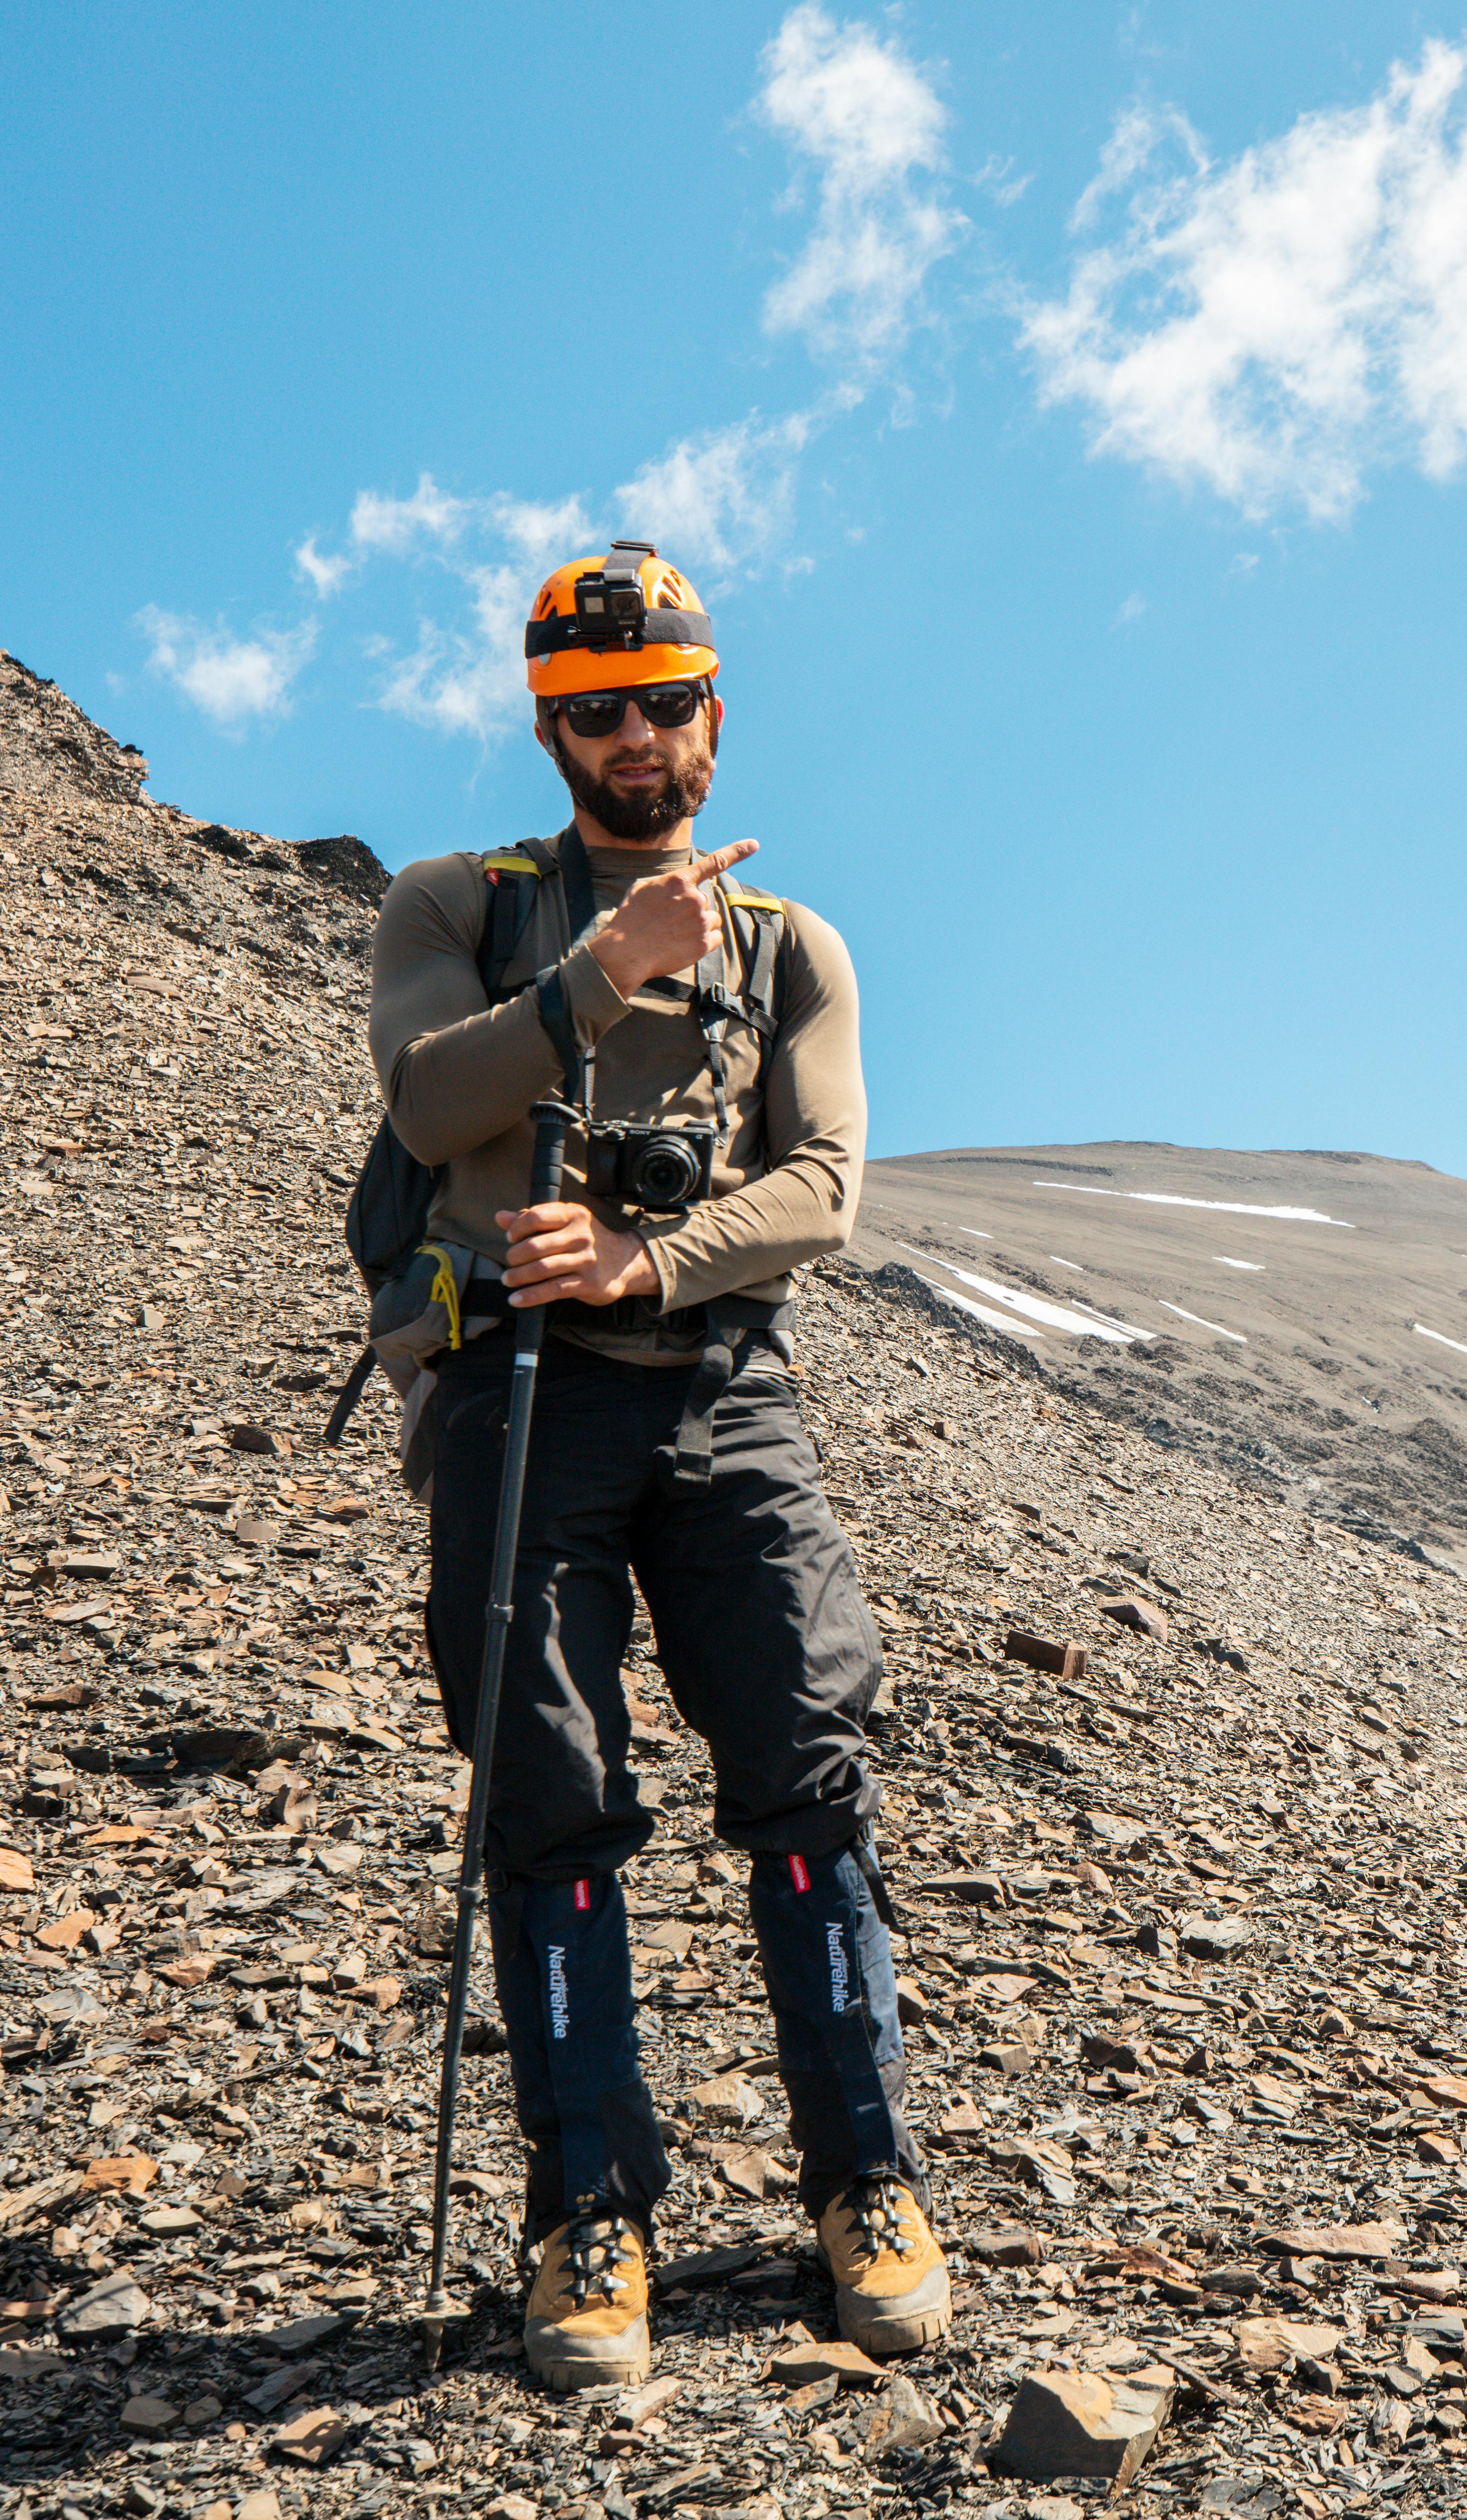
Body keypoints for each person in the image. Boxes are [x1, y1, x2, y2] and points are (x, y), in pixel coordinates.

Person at [364, 542, 942, 2391]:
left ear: (713, 710)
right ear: (548, 728)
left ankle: (868, 2179)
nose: (631, 737)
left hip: (723, 1393)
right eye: (588, 712)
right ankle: (585, 2213)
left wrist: (644, 1257)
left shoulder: (796, 948)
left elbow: (825, 1187)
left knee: (803, 1770)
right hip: (517, 1402)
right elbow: (423, 1104)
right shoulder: (458, 905)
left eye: (661, 701)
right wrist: (598, 979)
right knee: (547, 1796)